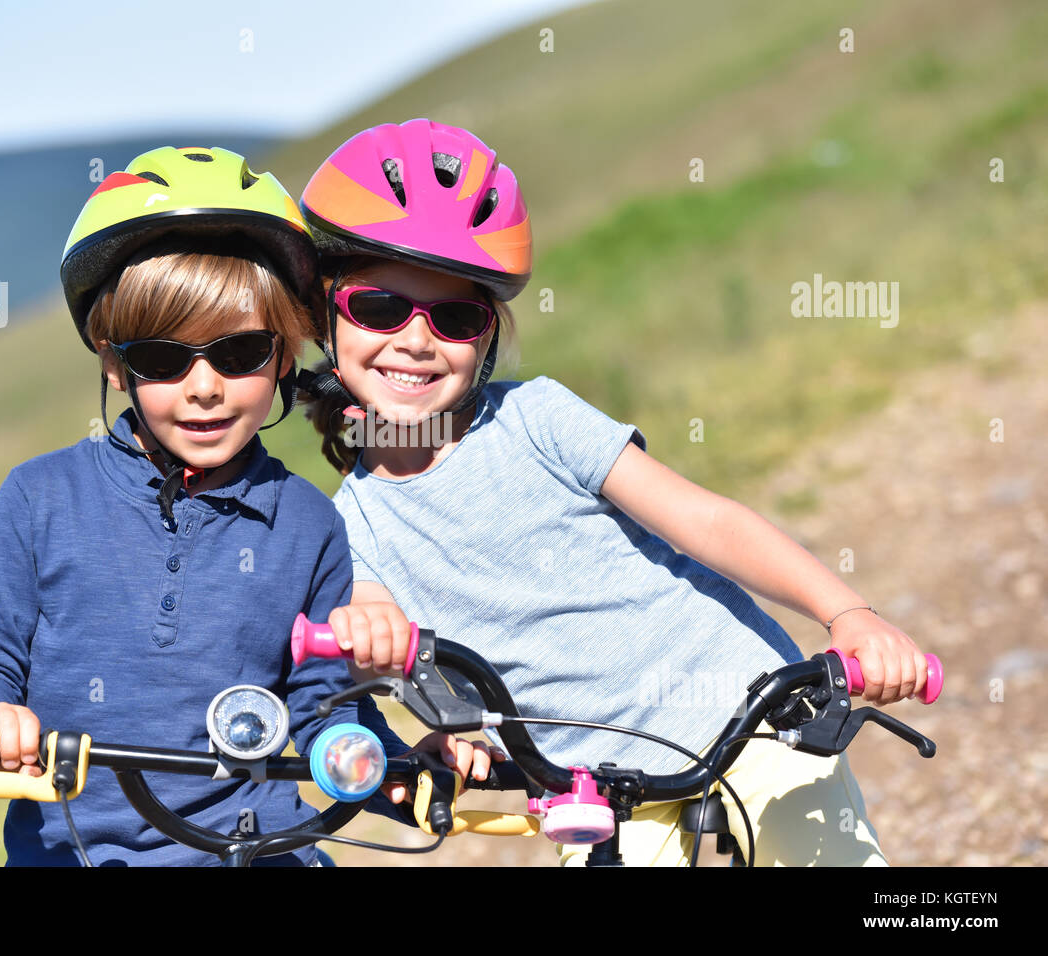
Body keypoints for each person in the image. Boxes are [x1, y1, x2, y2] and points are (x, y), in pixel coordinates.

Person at [299, 119, 933, 866]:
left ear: (489, 336)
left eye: (456, 317)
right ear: (324, 319)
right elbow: (379, 637)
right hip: (592, 784)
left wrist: (849, 615)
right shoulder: (351, 527)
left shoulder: (536, 418)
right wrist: (430, 721)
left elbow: (705, 522)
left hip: (751, 710)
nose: (415, 340)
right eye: (379, 308)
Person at [0, 145, 485, 866]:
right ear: (114, 364)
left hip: (259, 851)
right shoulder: (39, 499)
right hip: (74, 852)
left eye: (240, 353)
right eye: (164, 359)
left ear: (285, 356)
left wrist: (394, 766)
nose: (203, 388)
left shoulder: (309, 524)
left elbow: (327, 709)